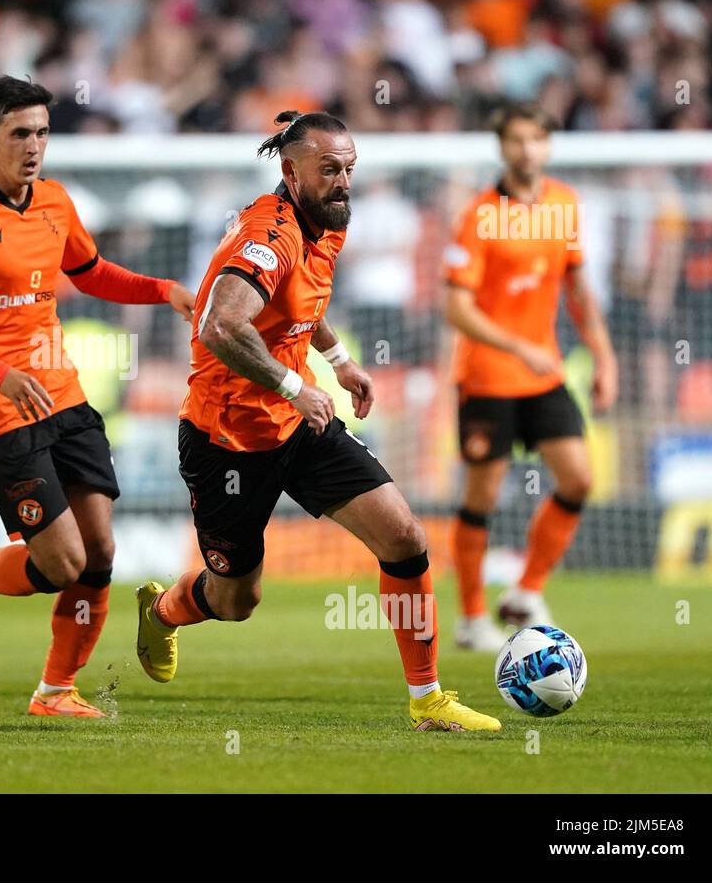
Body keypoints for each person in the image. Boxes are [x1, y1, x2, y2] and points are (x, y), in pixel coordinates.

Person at [134, 110, 500, 732]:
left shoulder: (326, 222)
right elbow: (221, 324)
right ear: (290, 171)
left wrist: (339, 361)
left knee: (405, 539)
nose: (344, 181)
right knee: (235, 600)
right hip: (228, 440)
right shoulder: (266, 237)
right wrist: (293, 384)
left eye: (350, 169)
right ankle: (164, 611)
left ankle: (428, 700)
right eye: (330, 169)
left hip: (302, 424)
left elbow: (305, 301)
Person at [0, 76, 194, 717]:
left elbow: (90, 273)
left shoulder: (56, 200)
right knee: (61, 563)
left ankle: (56, 689)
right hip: (1, 411)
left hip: (66, 396)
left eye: (41, 133)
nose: (33, 146)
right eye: (19, 134)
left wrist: (163, 289)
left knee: (101, 553)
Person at [444, 103, 617, 650]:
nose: (527, 150)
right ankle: (472, 618)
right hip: (489, 376)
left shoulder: (564, 204)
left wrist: (604, 357)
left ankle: (525, 591)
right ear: (502, 147)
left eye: (537, 139)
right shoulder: (478, 215)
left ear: (548, 145)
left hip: (543, 375)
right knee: (482, 499)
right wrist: (519, 345)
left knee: (579, 479)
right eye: (517, 140)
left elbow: (578, 289)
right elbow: (456, 308)